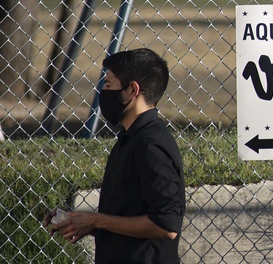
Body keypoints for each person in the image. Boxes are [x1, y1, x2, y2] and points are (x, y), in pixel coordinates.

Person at [44, 47, 186, 264]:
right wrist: (82, 222)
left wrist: (97, 221)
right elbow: (126, 218)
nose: (103, 91)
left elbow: (166, 224)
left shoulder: (150, 145)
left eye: (108, 85)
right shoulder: (130, 139)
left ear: (132, 90)